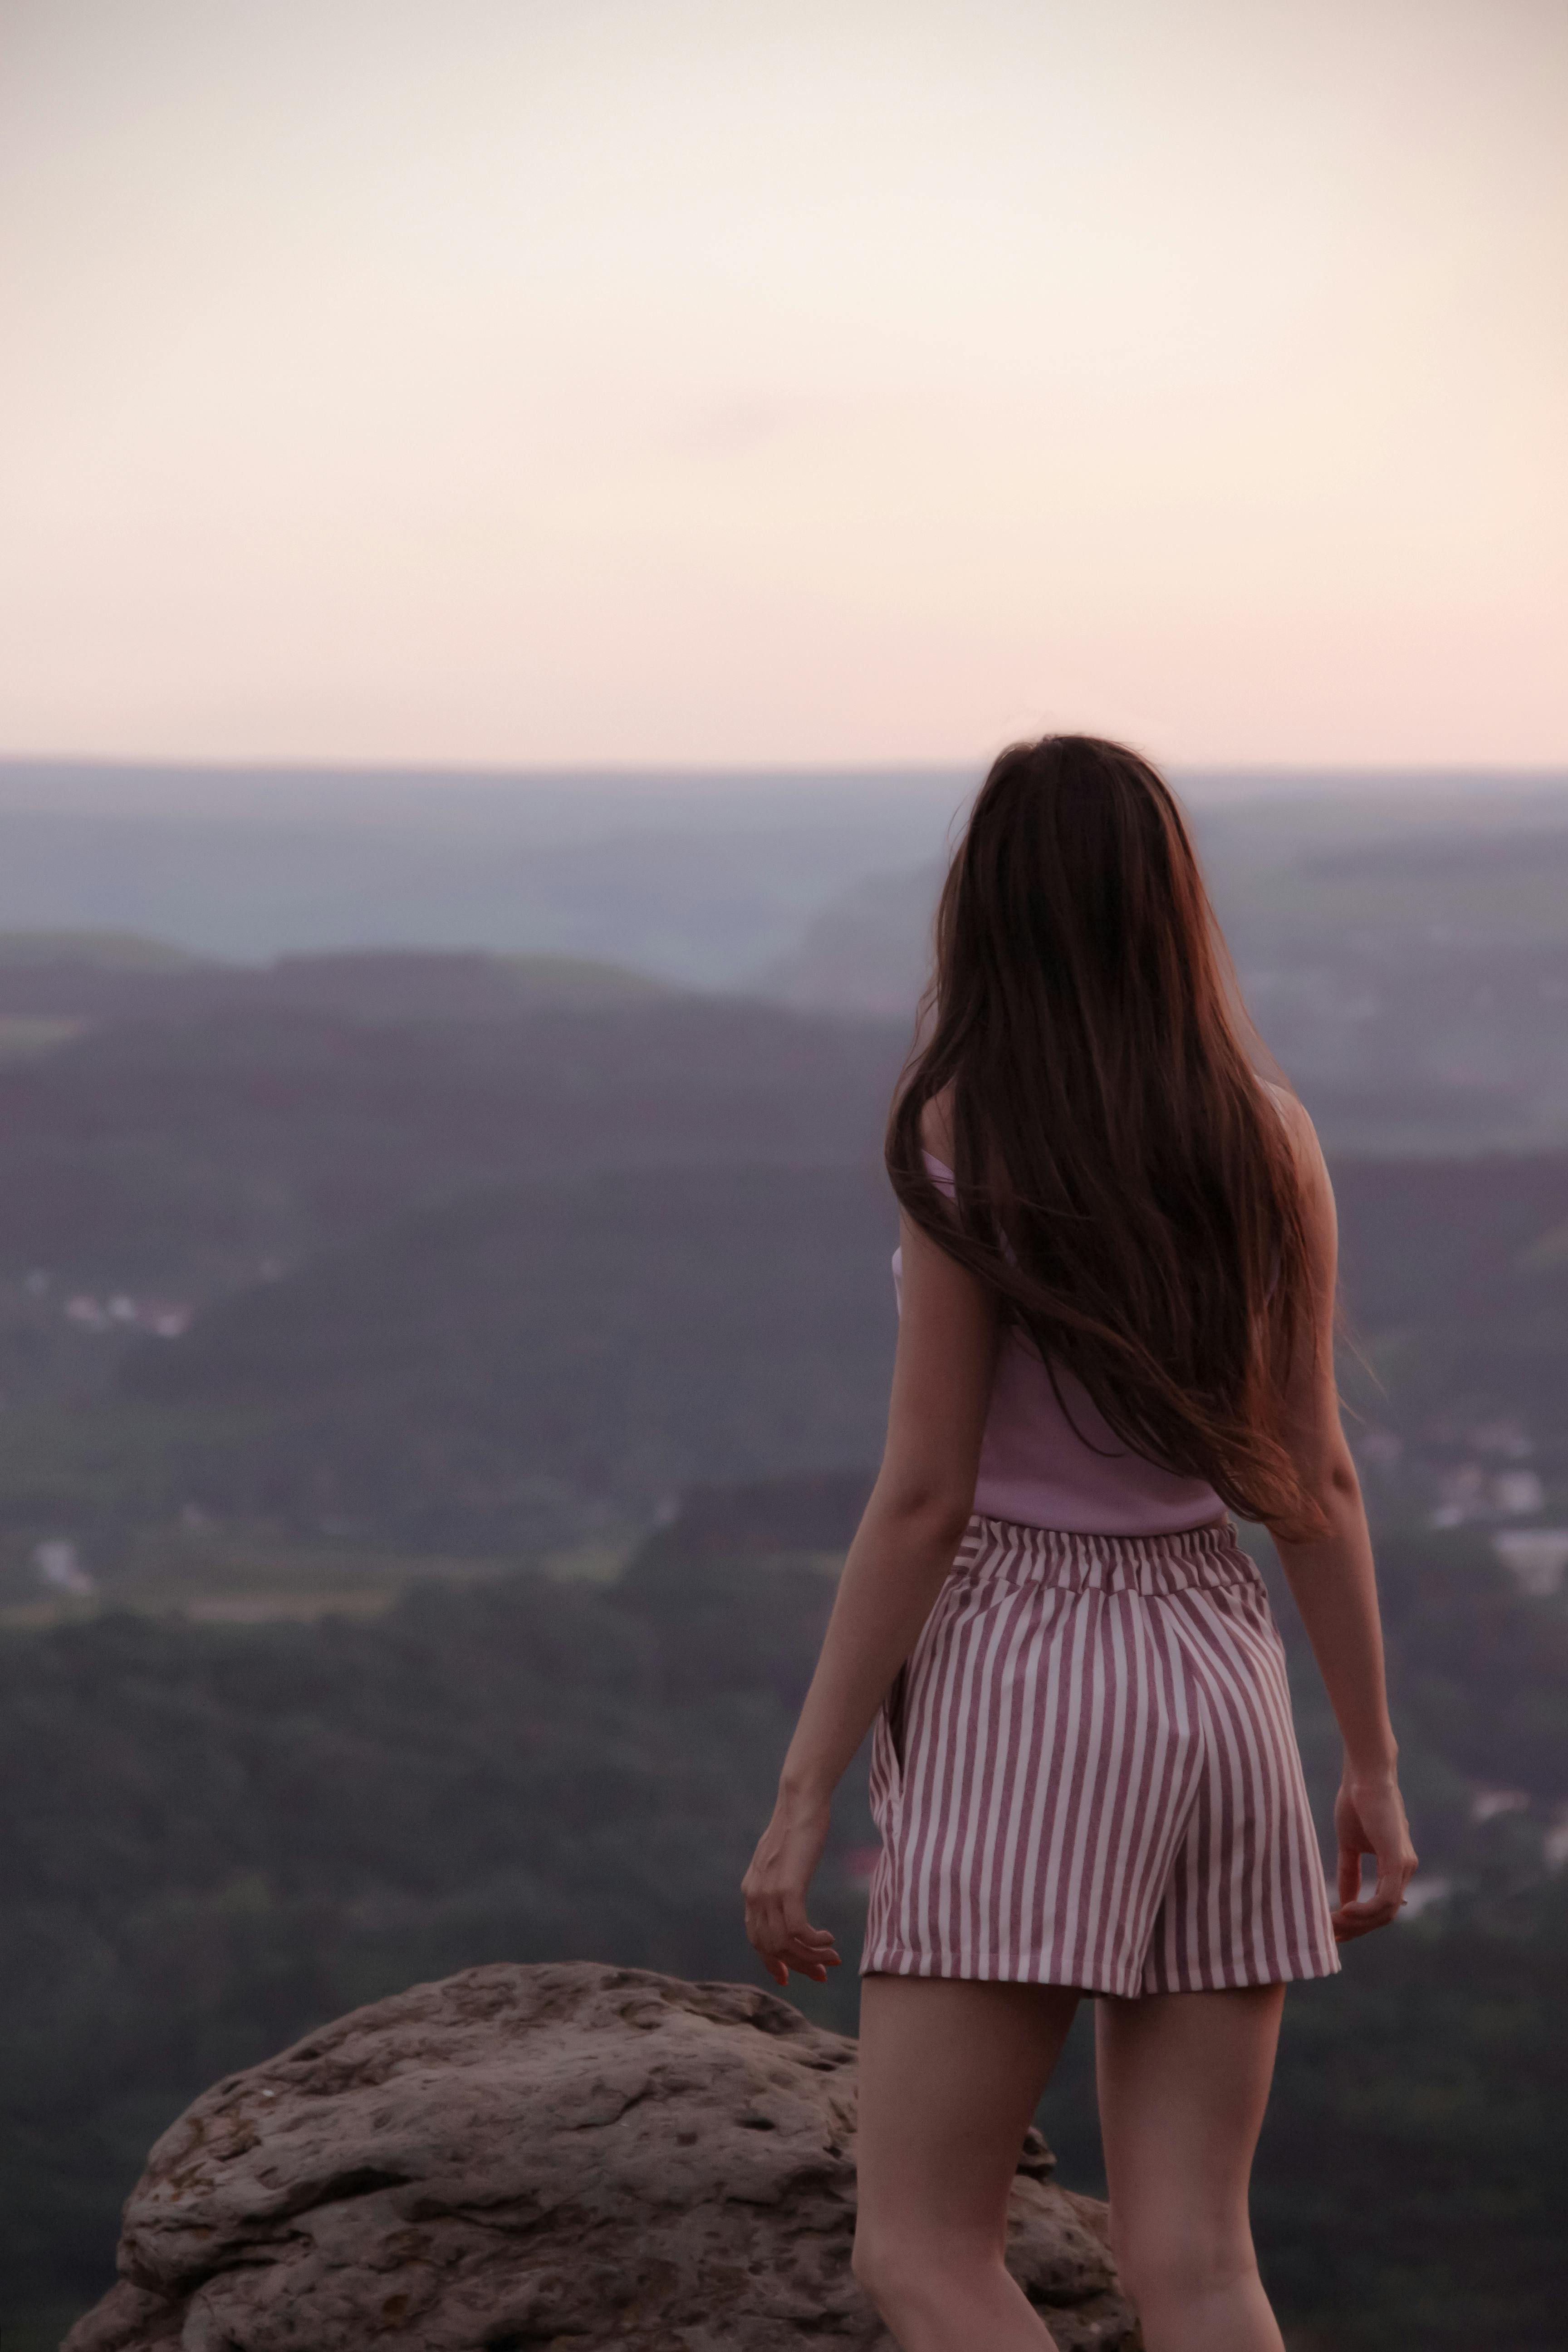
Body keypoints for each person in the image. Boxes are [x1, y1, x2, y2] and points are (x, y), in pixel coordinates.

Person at [741, 735, 1417, 2352]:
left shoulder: (962, 1130)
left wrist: (802, 1794)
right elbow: (1314, 1478)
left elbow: (925, 1495)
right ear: (1165, 905)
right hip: (1220, 1669)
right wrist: (1374, 1765)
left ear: (992, 911)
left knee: (921, 2249)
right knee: (1197, 2257)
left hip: (1036, 1676)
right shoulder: (1270, 1133)